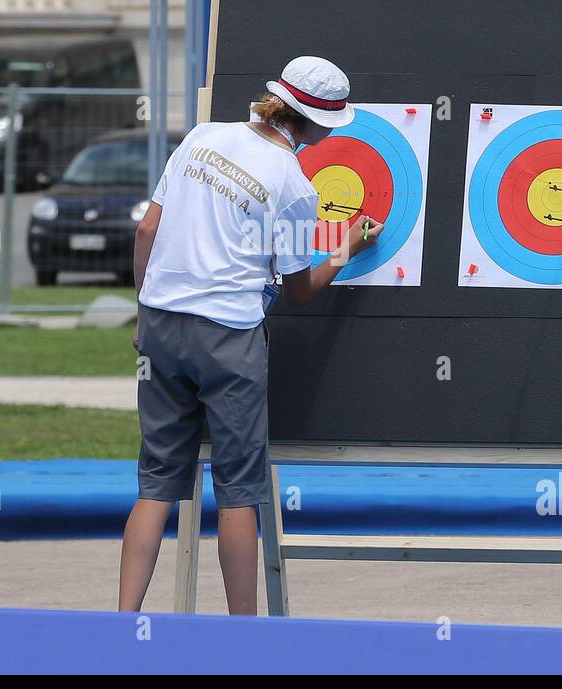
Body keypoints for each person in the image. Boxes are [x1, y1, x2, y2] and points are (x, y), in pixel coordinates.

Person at [119, 56, 383, 614]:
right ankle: (242, 635)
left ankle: (124, 623)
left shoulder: (202, 135)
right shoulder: (294, 185)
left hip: (162, 326)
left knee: (156, 484)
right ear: (318, 124)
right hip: (230, 339)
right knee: (238, 491)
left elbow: (148, 229)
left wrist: (144, 308)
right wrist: (347, 250)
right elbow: (298, 290)